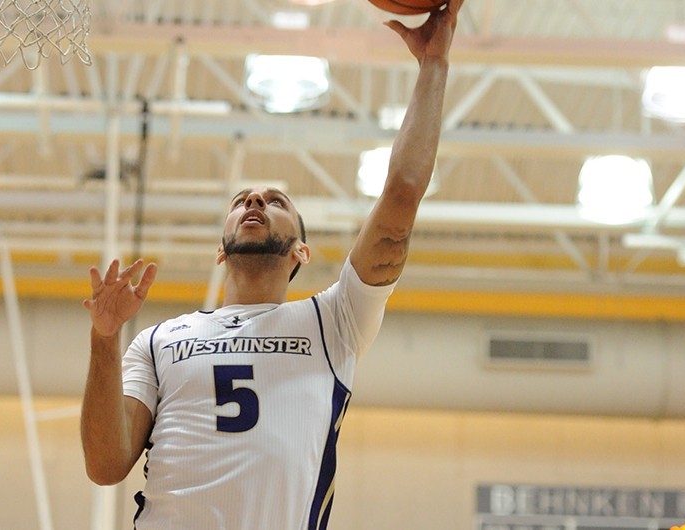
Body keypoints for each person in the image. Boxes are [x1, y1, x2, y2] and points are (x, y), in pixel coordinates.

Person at [81, 1, 465, 528]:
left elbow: (401, 195)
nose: (254, 203)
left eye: (275, 200)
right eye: (242, 199)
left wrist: (434, 65)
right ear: (221, 249)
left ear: (300, 253)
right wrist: (104, 338)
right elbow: (105, 466)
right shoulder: (157, 340)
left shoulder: (335, 321)